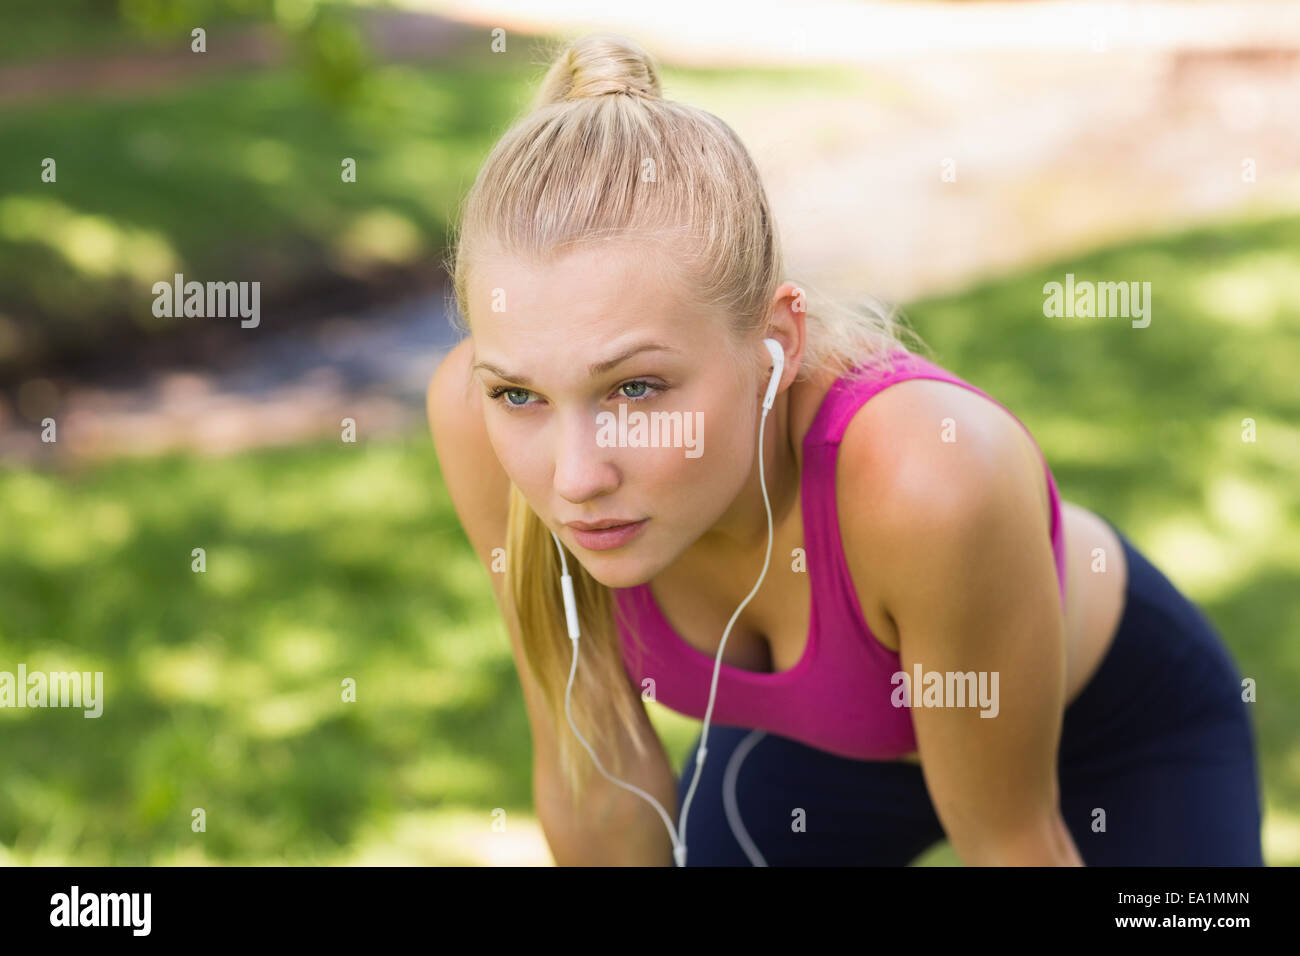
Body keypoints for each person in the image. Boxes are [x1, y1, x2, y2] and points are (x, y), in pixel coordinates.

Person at [426, 32, 1265, 866]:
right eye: (521, 395)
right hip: (828, 752)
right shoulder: (476, 420)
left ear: (776, 343)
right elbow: (597, 778)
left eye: (635, 389)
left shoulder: (933, 481)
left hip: (1118, 731)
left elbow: (1013, 843)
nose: (575, 477)